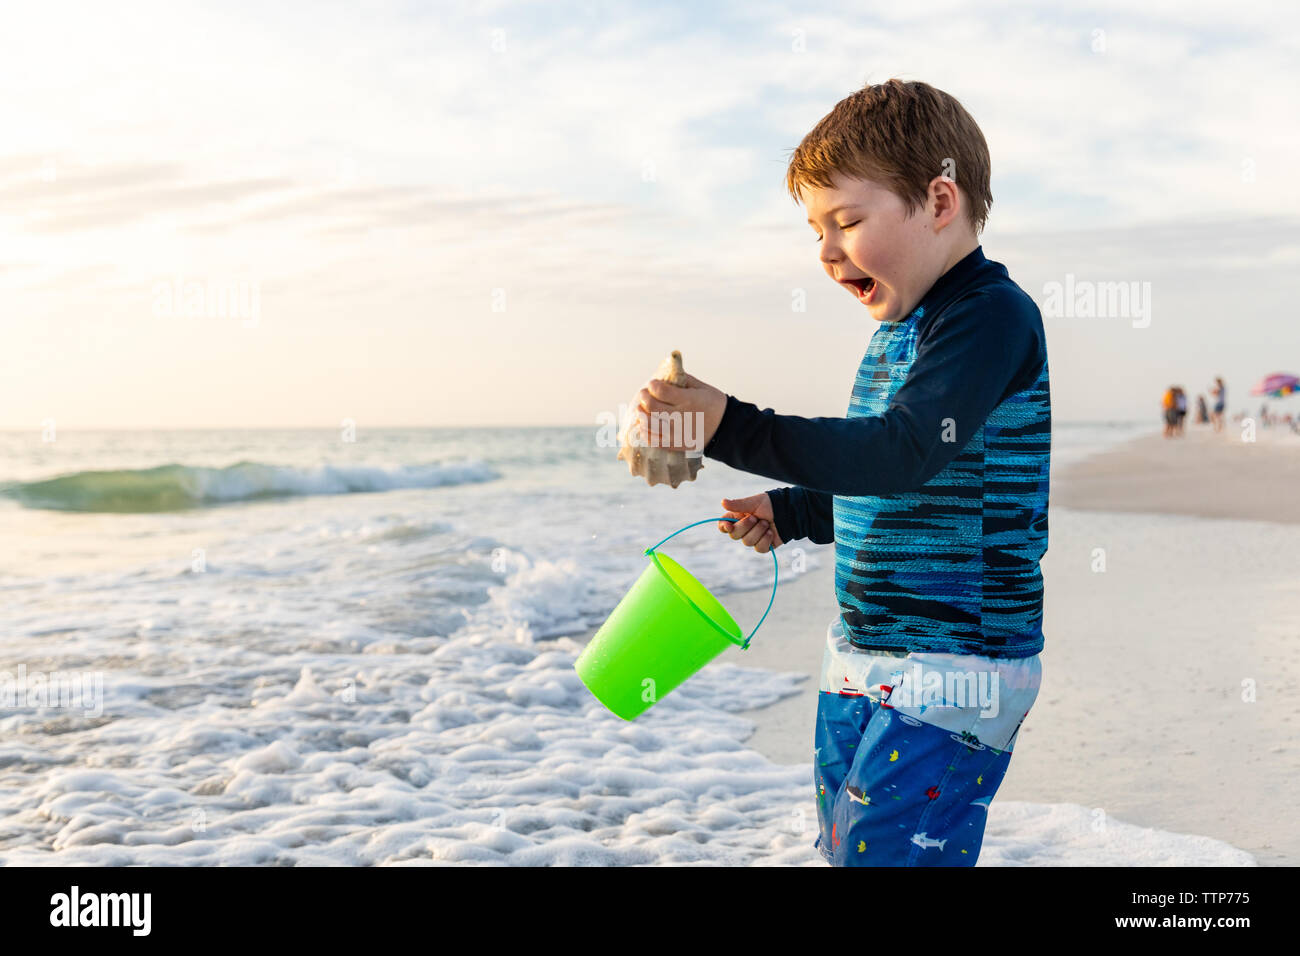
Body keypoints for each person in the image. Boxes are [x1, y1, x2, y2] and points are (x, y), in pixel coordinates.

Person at [635, 79, 1045, 866]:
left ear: (939, 201)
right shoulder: (903, 325)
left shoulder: (991, 317)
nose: (825, 252)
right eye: (816, 230)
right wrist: (793, 511)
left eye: (847, 222)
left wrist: (731, 425)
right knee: (845, 848)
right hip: (866, 648)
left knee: (880, 856)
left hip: (959, 661)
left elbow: (901, 450)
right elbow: (900, 479)